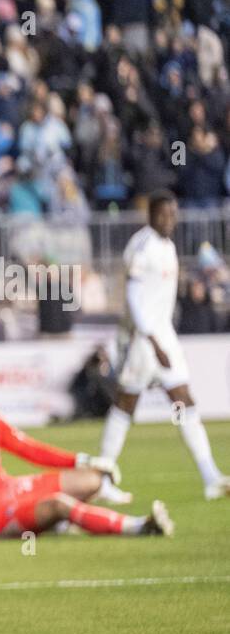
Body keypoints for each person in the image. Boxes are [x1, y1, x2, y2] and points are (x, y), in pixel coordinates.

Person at [0, 359, 172, 544]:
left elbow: (29, 450)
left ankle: (59, 522)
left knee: (91, 480)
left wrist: (83, 460)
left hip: (10, 490)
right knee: (60, 503)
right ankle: (139, 527)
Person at [98, 191, 230, 500]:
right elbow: (133, 295)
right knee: (125, 404)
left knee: (183, 399)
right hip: (145, 339)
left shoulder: (168, 246)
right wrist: (152, 339)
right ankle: (102, 478)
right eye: (163, 215)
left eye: (173, 215)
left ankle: (210, 476)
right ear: (150, 216)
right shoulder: (143, 247)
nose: (169, 220)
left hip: (163, 335)